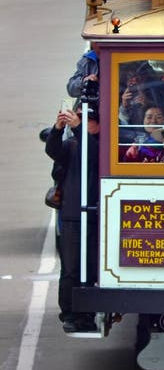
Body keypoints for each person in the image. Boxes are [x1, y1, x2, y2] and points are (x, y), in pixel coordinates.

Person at [45, 108, 99, 333]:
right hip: (72, 215)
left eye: (89, 120)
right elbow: (53, 150)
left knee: (91, 268)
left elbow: (92, 154)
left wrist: (77, 127)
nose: (83, 123)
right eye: (80, 118)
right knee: (70, 269)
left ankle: (87, 314)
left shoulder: (98, 144)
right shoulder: (72, 144)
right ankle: (69, 313)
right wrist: (58, 128)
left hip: (94, 214)